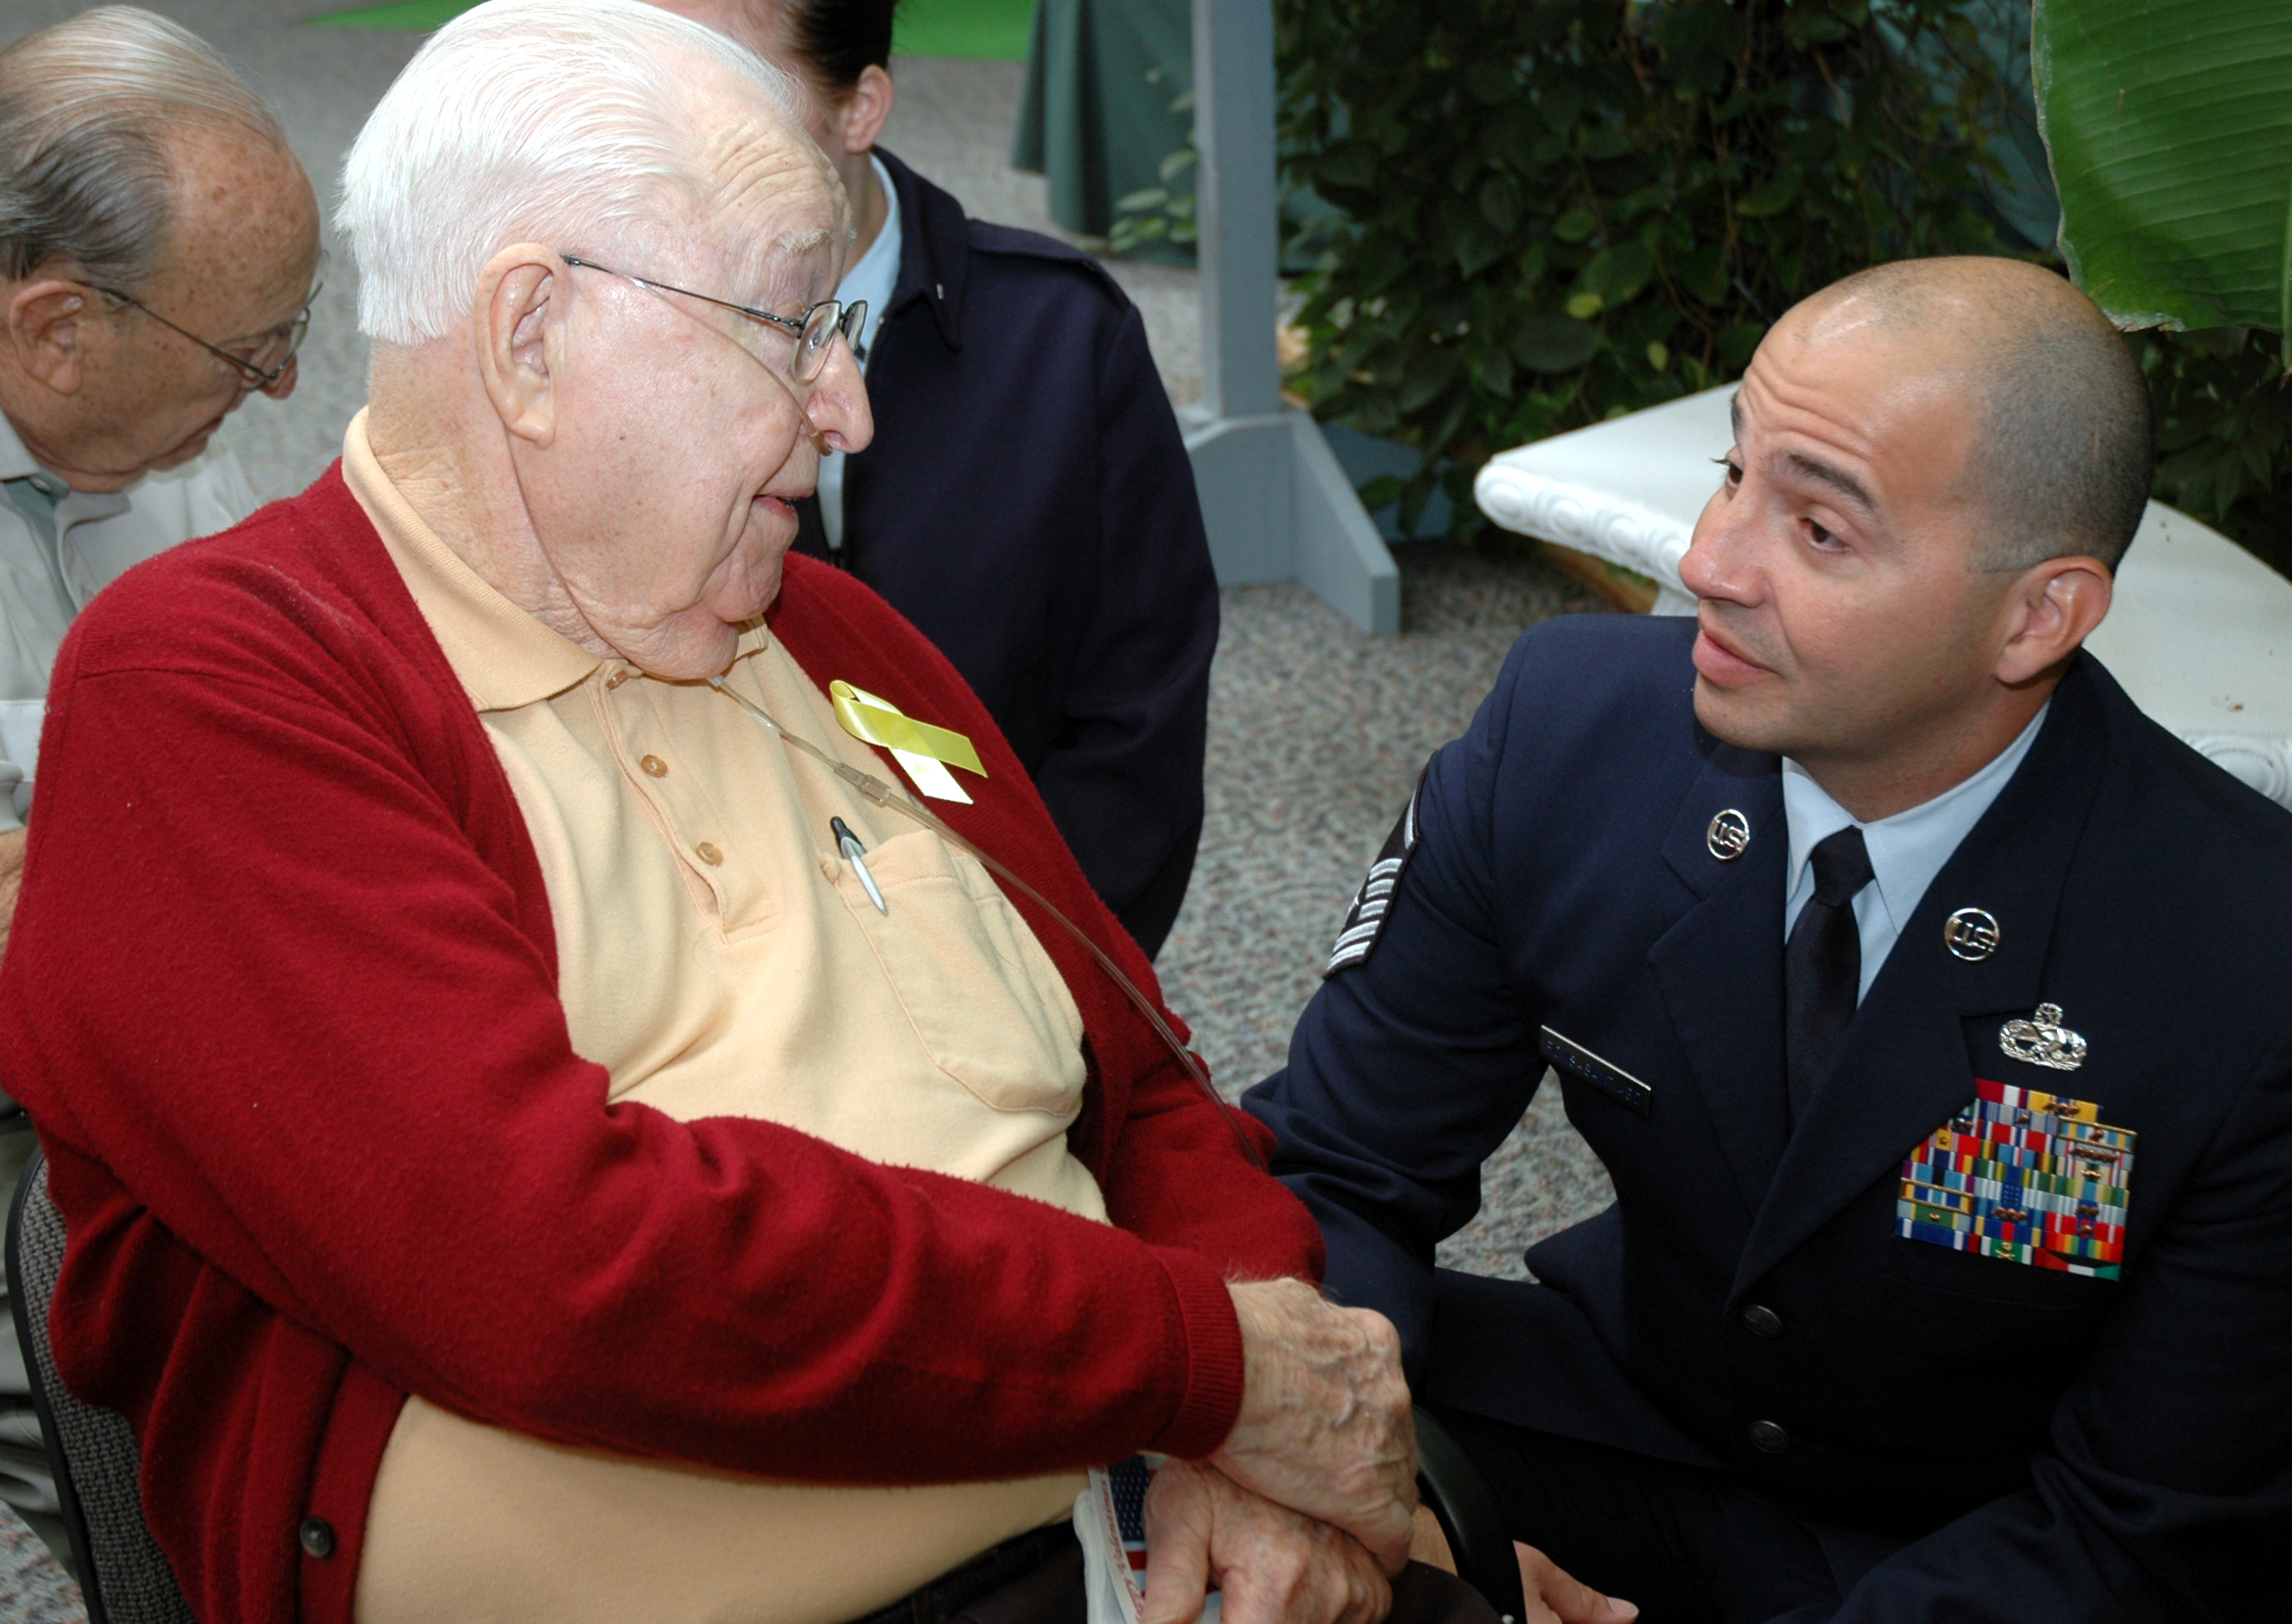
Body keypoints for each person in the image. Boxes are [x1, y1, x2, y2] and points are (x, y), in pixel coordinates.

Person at [0, 5, 1444, 1622]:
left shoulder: (833, 634)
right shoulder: (217, 685)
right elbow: (548, 1269)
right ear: (529, 337)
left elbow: (1150, 1082)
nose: (851, 411)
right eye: (789, 328)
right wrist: (1198, 1368)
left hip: (1139, 1506)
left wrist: (1263, 1429)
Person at [1245, 257, 2292, 1621]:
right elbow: (1344, 1164)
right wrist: (1363, 1490)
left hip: (1993, 1534)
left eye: (1818, 532)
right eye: (1733, 471)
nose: (1701, 562)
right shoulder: (1567, 736)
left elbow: (2139, 1529)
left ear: (2037, 613)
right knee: (1189, 1433)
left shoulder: (2241, 955)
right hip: (1633, 1411)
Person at [650, 0, 1217, 959]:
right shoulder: (612, 338)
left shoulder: (1060, 339)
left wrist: (1042, 973)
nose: (677, 126)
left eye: (733, 83)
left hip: (1018, 946)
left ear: (860, 107)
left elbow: (1140, 713)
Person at [0, 0, 319, 1523]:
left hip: (169, 1059)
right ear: (56, 326)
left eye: (291, 332)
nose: (277, 393)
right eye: (249, 348)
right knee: (149, 1467)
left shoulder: (154, 427)